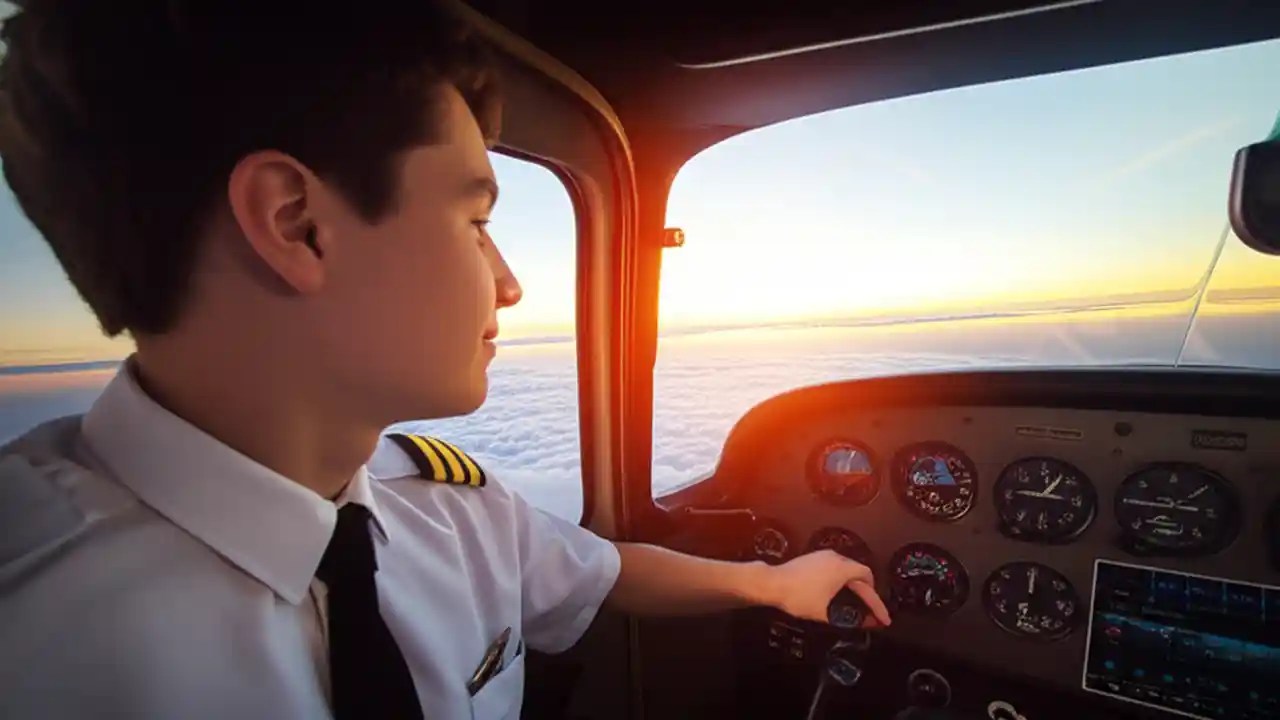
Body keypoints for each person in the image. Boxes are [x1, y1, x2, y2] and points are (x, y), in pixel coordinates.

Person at [0, 2, 890, 718]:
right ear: (296, 226)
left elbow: (605, 572)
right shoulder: (29, 625)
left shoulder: (446, 511)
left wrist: (772, 583)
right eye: (476, 222)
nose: (508, 285)